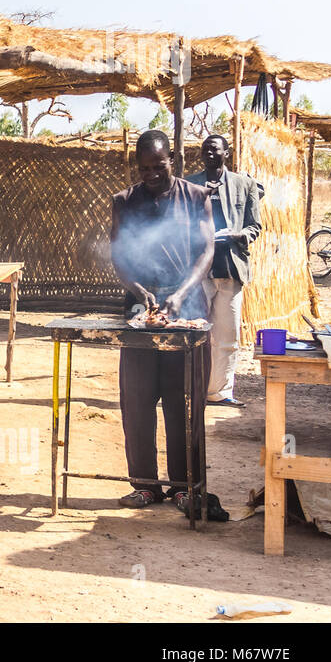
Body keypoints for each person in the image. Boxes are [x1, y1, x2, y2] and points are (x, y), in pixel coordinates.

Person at [109, 129, 215, 512]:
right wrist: (139, 292)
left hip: (186, 309)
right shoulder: (124, 201)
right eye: (145, 168)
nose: (152, 174)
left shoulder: (197, 197)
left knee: (183, 401)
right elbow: (118, 256)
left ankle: (186, 486)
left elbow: (207, 251)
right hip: (141, 311)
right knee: (136, 400)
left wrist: (182, 294)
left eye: (159, 166)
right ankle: (146, 485)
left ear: (173, 160)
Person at [184, 134, 263, 408]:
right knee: (195, 334)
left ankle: (220, 392)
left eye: (214, 149)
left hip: (230, 269)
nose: (208, 153)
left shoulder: (245, 184)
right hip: (199, 271)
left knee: (227, 337)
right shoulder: (190, 184)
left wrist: (239, 235)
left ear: (226, 153)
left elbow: (255, 226)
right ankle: (194, 391)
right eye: (205, 149)